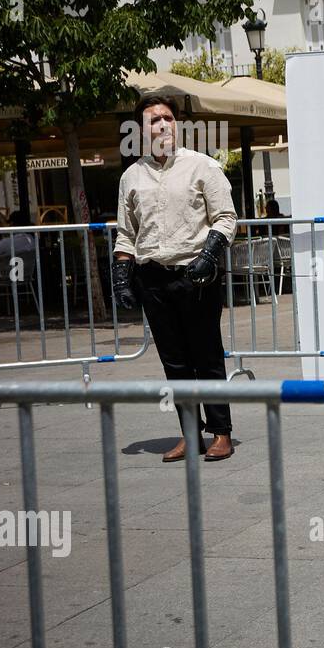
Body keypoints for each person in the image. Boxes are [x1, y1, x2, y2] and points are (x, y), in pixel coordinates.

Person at [113, 95, 237, 463]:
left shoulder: (203, 166)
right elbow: (125, 233)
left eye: (168, 118)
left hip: (196, 275)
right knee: (175, 362)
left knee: (207, 356)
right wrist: (122, 277)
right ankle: (189, 434)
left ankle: (221, 433)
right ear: (141, 130)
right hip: (153, 278)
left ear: (178, 125)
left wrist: (209, 255)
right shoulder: (131, 176)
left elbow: (227, 218)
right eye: (154, 120)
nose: (163, 125)